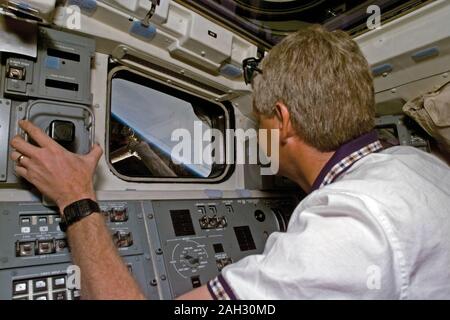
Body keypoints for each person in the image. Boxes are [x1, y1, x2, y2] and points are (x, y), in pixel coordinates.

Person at [10, 25, 450, 300]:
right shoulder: (419, 165)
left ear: (283, 122)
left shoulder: (348, 229)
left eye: (259, 122)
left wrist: (77, 199)